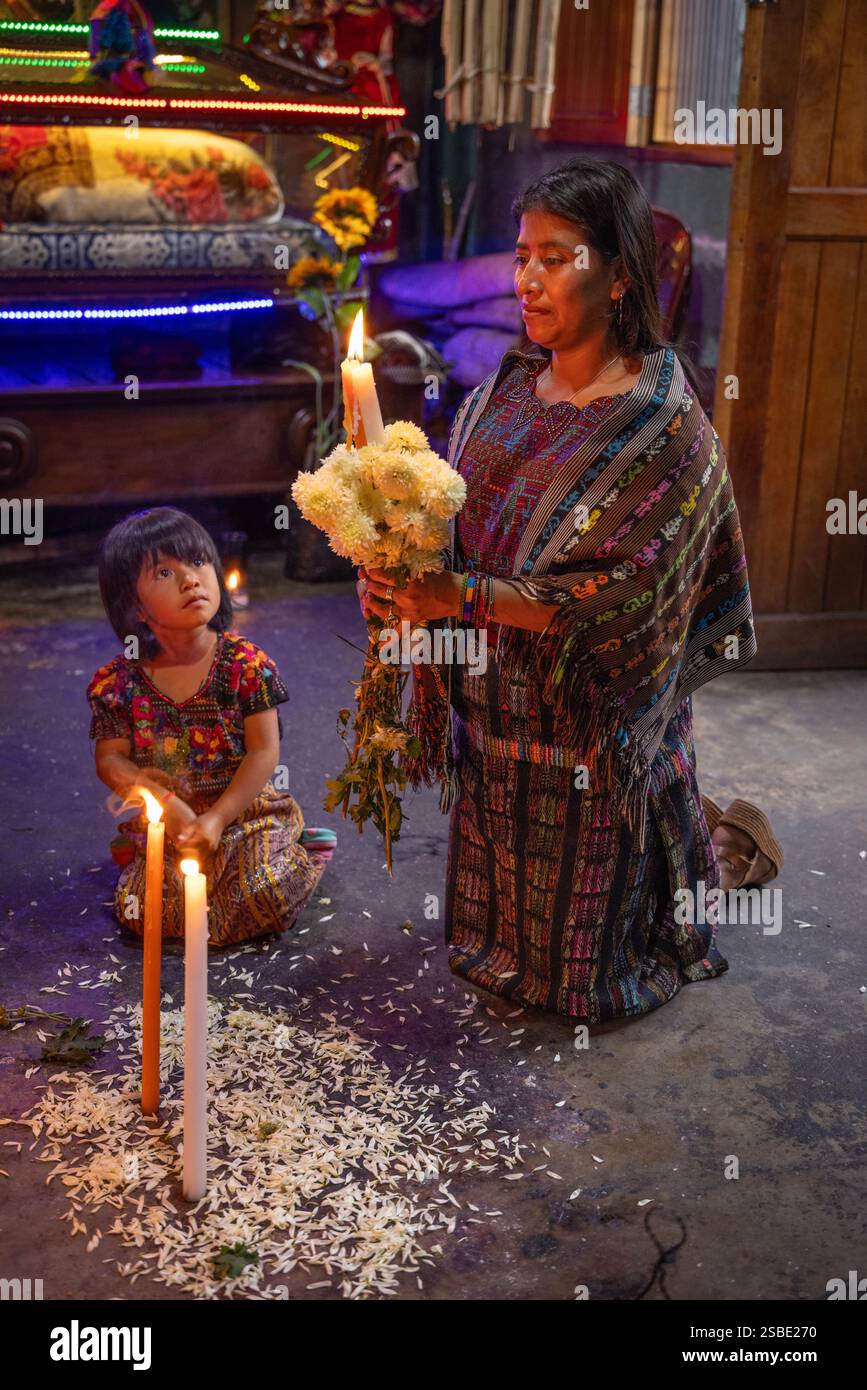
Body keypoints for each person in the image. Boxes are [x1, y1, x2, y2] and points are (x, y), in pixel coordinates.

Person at [359, 157, 777, 1023]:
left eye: (557, 257)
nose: (528, 280)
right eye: (521, 256)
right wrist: (397, 569)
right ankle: (709, 838)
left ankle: (721, 848)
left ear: (618, 274)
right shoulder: (505, 393)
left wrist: (460, 599)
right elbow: (458, 525)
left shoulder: (662, 425)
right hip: (497, 732)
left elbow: (619, 598)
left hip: (590, 744)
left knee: (582, 988)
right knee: (489, 951)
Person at [86, 506, 335, 946]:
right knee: (144, 912)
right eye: (164, 573)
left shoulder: (245, 666)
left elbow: (263, 752)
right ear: (133, 606)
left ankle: (302, 847)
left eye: (199, 562)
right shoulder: (118, 683)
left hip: (242, 814)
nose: (190, 579)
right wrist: (169, 807)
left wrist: (217, 820)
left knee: (262, 896)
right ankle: (140, 857)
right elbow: (110, 759)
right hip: (170, 820)